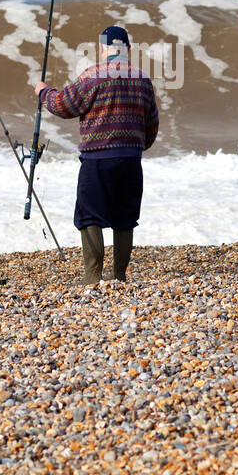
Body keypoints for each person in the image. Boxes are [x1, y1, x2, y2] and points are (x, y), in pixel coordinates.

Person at [34, 25, 159, 285]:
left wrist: (43, 92)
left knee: (89, 214)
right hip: (131, 158)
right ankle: (120, 275)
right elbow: (151, 124)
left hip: (97, 157)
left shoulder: (93, 75)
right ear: (128, 49)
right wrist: (136, 147)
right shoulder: (142, 79)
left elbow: (63, 105)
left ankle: (92, 275)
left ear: (102, 49)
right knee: (125, 217)